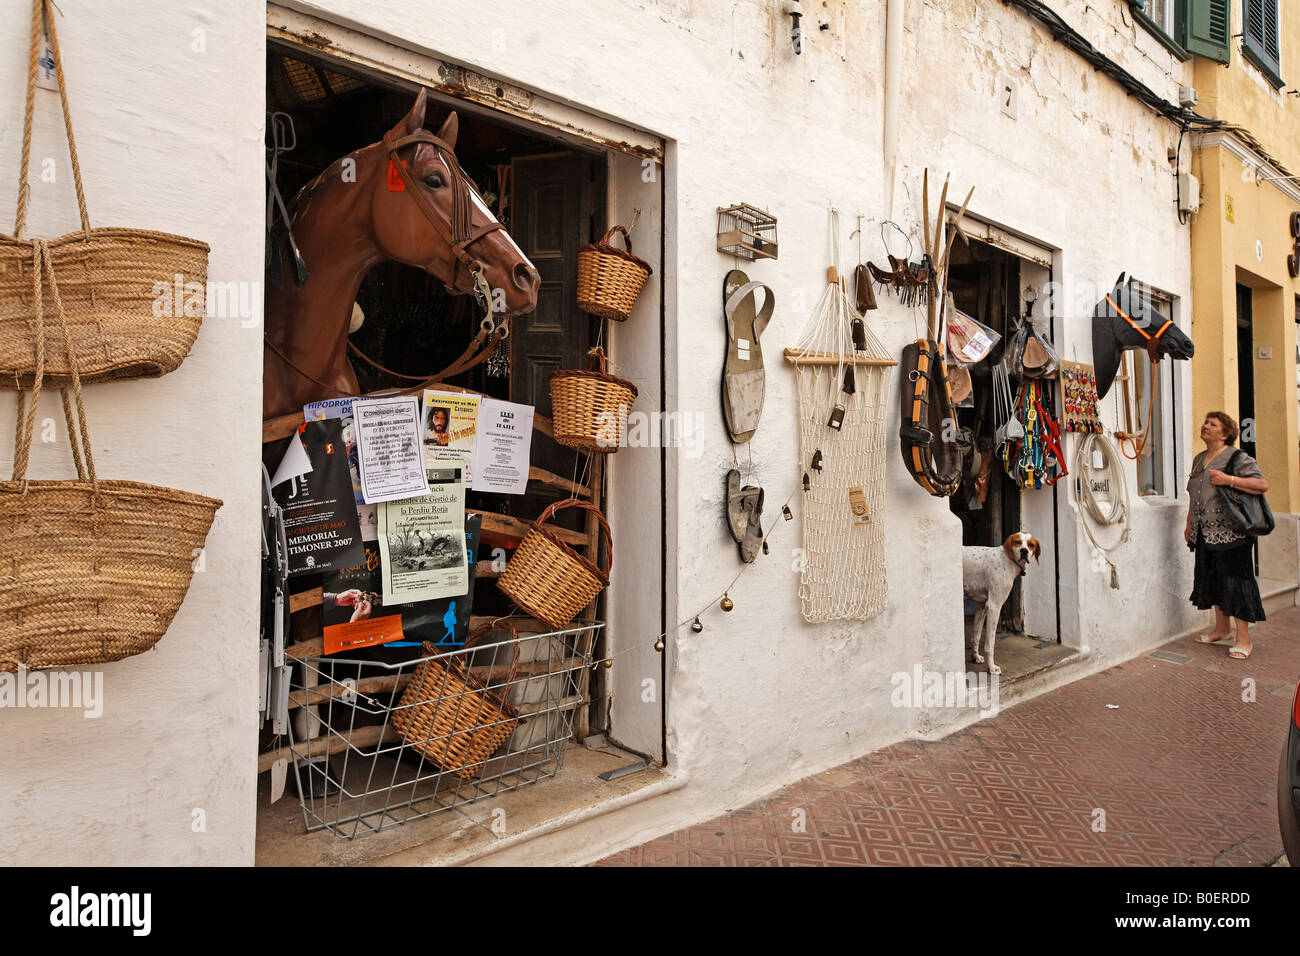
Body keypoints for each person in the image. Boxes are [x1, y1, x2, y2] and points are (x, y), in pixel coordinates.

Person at [1185, 411, 1268, 660]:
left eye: (1213, 424)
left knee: (1236, 581)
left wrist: (1228, 479)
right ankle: (1222, 629)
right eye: (1205, 422)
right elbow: (1194, 494)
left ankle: (1244, 638)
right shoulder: (1199, 459)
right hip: (1204, 531)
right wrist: (1189, 523)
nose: (1206, 426)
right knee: (1212, 578)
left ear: (1225, 434)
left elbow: (1261, 484)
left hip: (1232, 532)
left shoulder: (1237, 457)